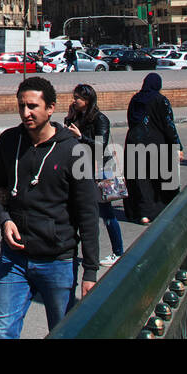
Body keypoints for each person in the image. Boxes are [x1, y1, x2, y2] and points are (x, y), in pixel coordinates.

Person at [0, 77, 100, 338]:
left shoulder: (75, 151)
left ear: (50, 108)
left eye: (33, 106)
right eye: (22, 106)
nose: (26, 112)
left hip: (57, 260)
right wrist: (4, 220)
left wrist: (90, 271)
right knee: (2, 331)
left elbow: (88, 213)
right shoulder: (8, 141)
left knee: (62, 332)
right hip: (13, 259)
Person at [64, 83, 124, 268]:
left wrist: (81, 136)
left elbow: (101, 145)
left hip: (100, 169)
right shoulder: (78, 117)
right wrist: (70, 117)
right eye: (74, 97)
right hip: (81, 167)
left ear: (88, 100)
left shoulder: (100, 119)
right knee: (78, 211)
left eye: (78, 98)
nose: (74, 100)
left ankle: (118, 252)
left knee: (106, 213)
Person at [124, 73, 180, 224]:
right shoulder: (161, 100)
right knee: (156, 179)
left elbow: (131, 120)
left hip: (134, 141)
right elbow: (169, 125)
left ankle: (143, 213)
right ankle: (158, 211)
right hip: (155, 143)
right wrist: (177, 146)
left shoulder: (135, 99)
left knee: (140, 180)